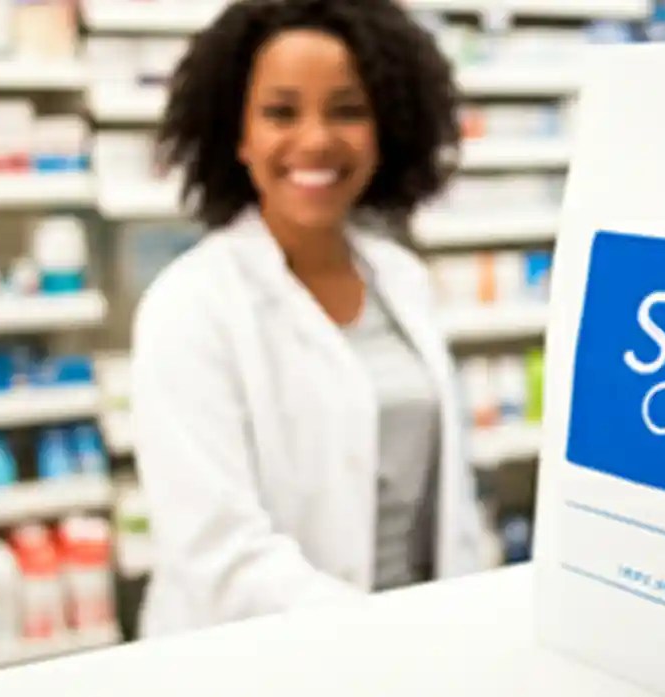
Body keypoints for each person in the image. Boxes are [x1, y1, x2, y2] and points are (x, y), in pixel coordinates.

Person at [131, 0, 485, 636]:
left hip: (421, 646)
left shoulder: (401, 280)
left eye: (348, 110)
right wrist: (378, 633)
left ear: (386, 126)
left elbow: (447, 500)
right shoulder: (190, 306)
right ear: (237, 134)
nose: (317, 138)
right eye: (280, 112)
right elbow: (220, 555)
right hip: (268, 661)